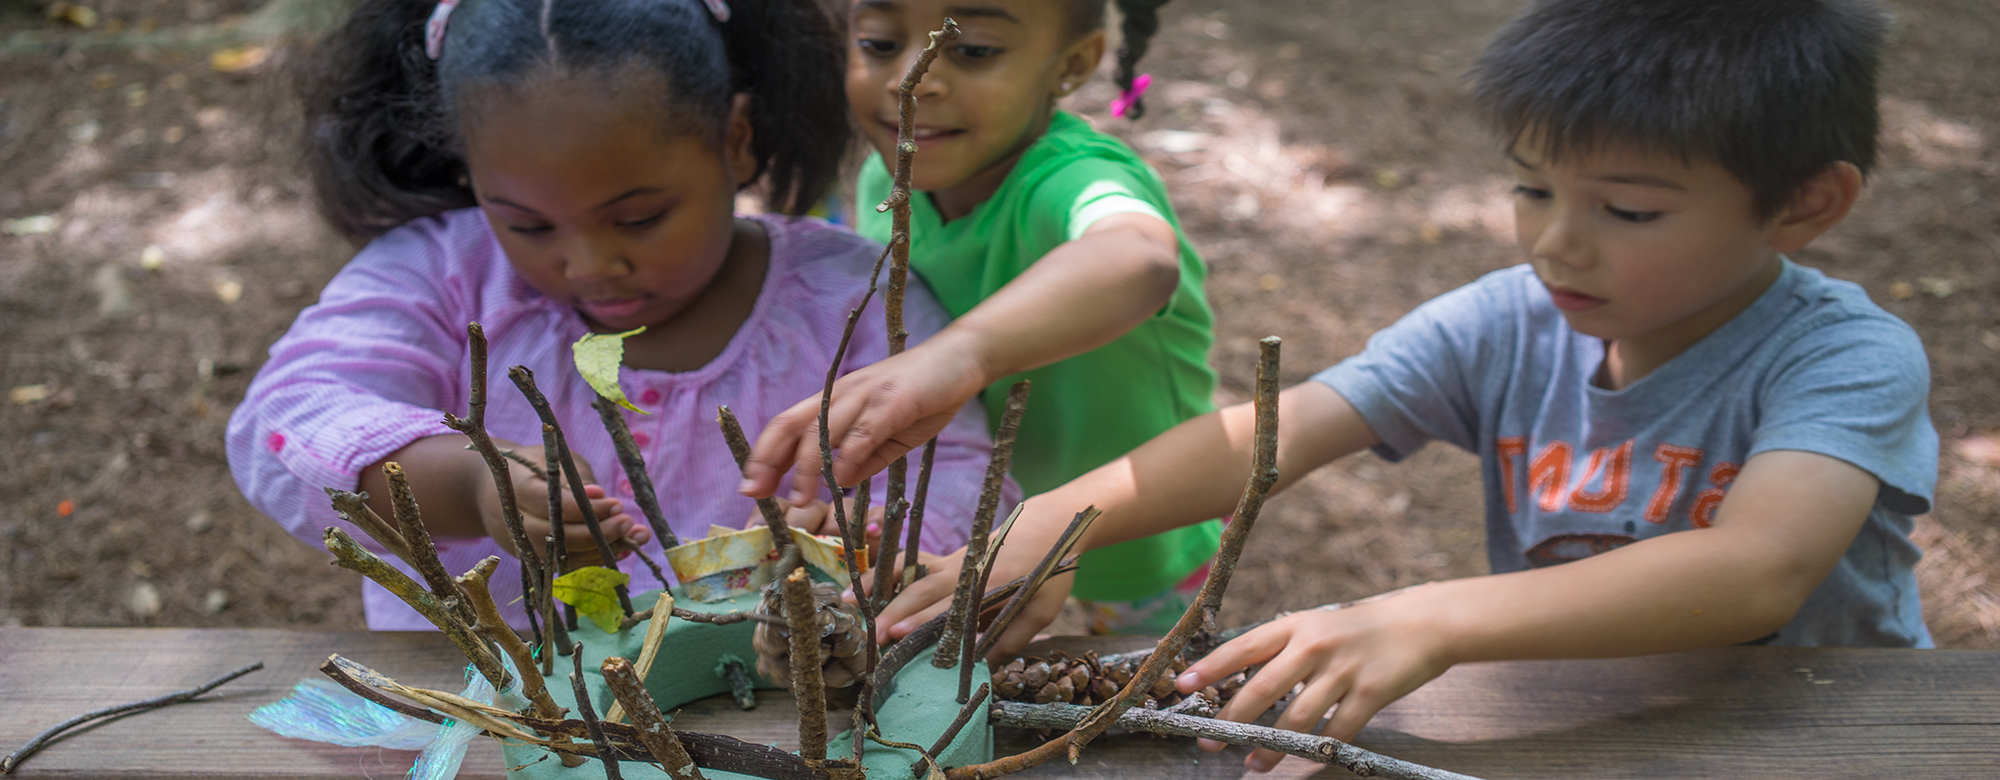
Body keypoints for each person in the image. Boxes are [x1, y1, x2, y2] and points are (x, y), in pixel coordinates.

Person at [880, 0, 1935, 770]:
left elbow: (1757, 571)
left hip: (1828, 726)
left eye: (1629, 211)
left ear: (1803, 203)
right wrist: (1059, 518)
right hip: (1594, 718)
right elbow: (1274, 433)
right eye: (1529, 189)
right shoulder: (1506, 318)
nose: (1555, 245)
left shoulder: (1841, 356)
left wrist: (1425, 617)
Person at [226, 0, 1005, 630]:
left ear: (734, 140)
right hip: (491, 721)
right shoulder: (438, 277)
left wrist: (870, 540)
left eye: (638, 218)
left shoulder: (851, 302)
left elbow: (966, 477)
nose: (590, 264)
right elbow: (285, 421)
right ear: (471, 168)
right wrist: (469, 485)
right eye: (527, 224)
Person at [738, 0, 1224, 635]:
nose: (915, 78)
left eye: (972, 51)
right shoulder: (886, 184)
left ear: (1071, 65)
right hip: (990, 535)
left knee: (1140, 696)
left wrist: (958, 354)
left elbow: (1138, 257)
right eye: (881, 43)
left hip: (1133, 534)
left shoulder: (1070, 179)